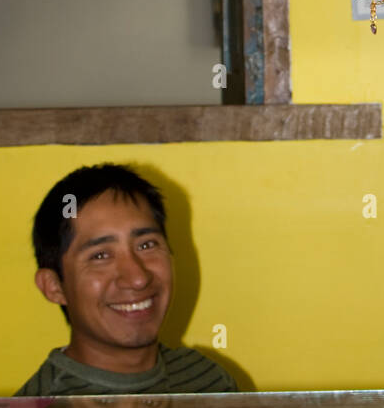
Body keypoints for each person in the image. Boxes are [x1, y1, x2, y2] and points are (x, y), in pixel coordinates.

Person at [15, 163, 237, 396]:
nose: (138, 278)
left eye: (146, 245)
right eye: (100, 255)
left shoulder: (208, 381)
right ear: (53, 286)